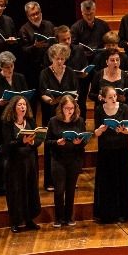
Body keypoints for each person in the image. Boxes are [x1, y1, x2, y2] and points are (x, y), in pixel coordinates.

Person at [92, 86, 128, 223]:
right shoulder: (99, 110)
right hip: (106, 151)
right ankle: (109, 214)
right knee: (108, 182)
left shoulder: (124, 108)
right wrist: (100, 129)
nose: (113, 99)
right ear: (104, 99)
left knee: (123, 180)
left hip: (121, 150)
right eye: (110, 97)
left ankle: (125, 212)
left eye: (115, 96)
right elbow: (96, 133)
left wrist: (124, 130)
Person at [0, 51, 28, 195]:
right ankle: (0, 185)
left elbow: (25, 96)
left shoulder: (20, 78)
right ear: (1, 67)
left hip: (16, 121)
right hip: (0, 121)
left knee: (15, 150)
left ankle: (17, 181)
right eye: (6, 67)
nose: (10, 70)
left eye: (11, 66)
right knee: (1, 153)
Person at [39, 43, 80, 192]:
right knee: (52, 147)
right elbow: (43, 92)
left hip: (68, 115)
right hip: (52, 114)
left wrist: (69, 99)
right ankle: (50, 182)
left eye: (62, 58)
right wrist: (51, 100)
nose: (60, 61)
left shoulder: (70, 72)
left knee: (69, 147)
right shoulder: (44, 73)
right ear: (51, 58)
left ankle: (70, 180)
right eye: (57, 58)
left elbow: (76, 92)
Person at [2, 95, 41, 233]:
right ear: (13, 107)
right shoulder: (7, 123)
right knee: (16, 192)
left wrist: (33, 142)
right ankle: (15, 222)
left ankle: (29, 219)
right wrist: (22, 141)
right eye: (19, 105)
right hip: (14, 163)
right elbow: (7, 145)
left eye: (24, 104)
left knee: (30, 190)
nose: (23, 107)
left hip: (29, 162)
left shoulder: (29, 120)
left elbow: (37, 140)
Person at [46, 94, 87, 227]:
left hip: (74, 159)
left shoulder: (79, 121)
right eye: (67, 108)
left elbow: (84, 141)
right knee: (59, 189)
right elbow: (47, 142)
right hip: (58, 159)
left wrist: (78, 142)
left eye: (72, 108)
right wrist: (57, 142)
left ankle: (69, 217)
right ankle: (58, 218)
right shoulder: (53, 121)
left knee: (70, 190)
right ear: (61, 108)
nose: (70, 111)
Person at [71, 0, 111, 103]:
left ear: (95, 10)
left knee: (100, 93)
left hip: (99, 63)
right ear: (82, 12)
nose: (89, 16)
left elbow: (109, 41)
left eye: (91, 14)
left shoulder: (103, 25)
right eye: (86, 14)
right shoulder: (76, 27)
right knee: (82, 95)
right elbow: (73, 46)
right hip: (83, 65)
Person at [18, 1, 55, 89]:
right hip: (33, 68)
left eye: (37, 13)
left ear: (41, 12)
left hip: (50, 66)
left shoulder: (49, 25)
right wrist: (34, 47)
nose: (36, 16)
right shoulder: (24, 30)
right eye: (32, 15)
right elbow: (22, 50)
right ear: (28, 16)